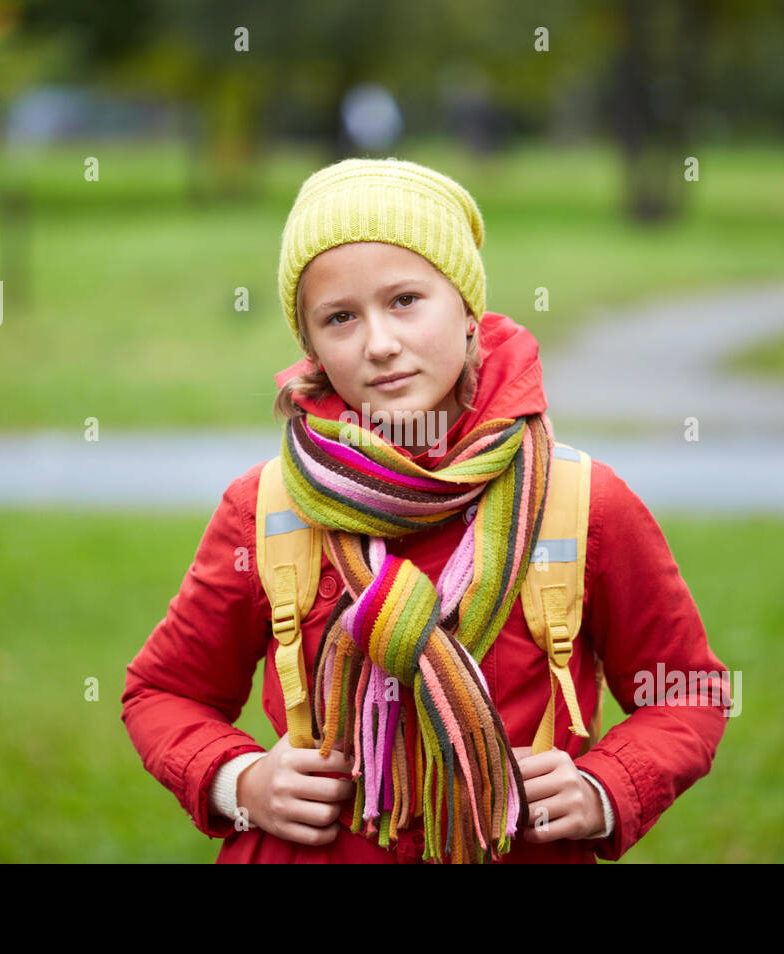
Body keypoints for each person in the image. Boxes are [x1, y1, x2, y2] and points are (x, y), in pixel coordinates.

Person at [121, 157, 730, 863]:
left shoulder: (580, 503)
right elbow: (164, 692)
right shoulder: (268, 507)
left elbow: (687, 691)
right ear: (311, 345)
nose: (379, 343)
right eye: (340, 317)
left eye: (406, 299)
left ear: (468, 309)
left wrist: (603, 789)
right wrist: (241, 780)